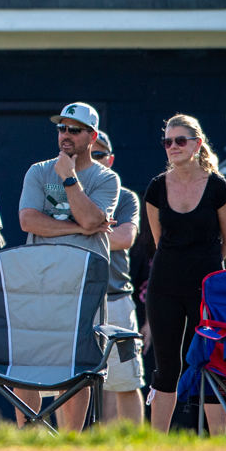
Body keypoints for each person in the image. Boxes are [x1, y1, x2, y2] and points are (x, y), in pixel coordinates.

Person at [16, 101, 120, 432]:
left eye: (74, 130)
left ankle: (71, 442)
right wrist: (80, 228)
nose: (65, 135)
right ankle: (29, 440)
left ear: (92, 136)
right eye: (61, 128)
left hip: (83, 284)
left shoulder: (106, 178)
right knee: (29, 361)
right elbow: (29, 220)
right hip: (40, 281)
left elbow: (93, 217)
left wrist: (70, 179)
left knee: (77, 365)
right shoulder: (37, 170)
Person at [143, 114, 226, 434]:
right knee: (166, 367)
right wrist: (182, 265)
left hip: (208, 287)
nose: (173, 147)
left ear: (197, 144)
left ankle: (219, 444)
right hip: (164, 286)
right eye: (167, 142)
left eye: (180, 140)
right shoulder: (156, 187)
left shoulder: (217, 186)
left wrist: (204, 266)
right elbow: (158, 241)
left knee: (212, 364)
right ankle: (157, 445)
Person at [90, 131, 144, 424]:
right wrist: (96, 228)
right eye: (89, 154)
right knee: (65, 380)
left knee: (125, 380)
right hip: (73, 299)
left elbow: (124, 237)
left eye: (100, 155)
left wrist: (79, 229)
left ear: (110, 159)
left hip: (117, 299)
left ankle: (135, 447)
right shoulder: (64, 189)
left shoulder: (124, 196)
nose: (95, 161)